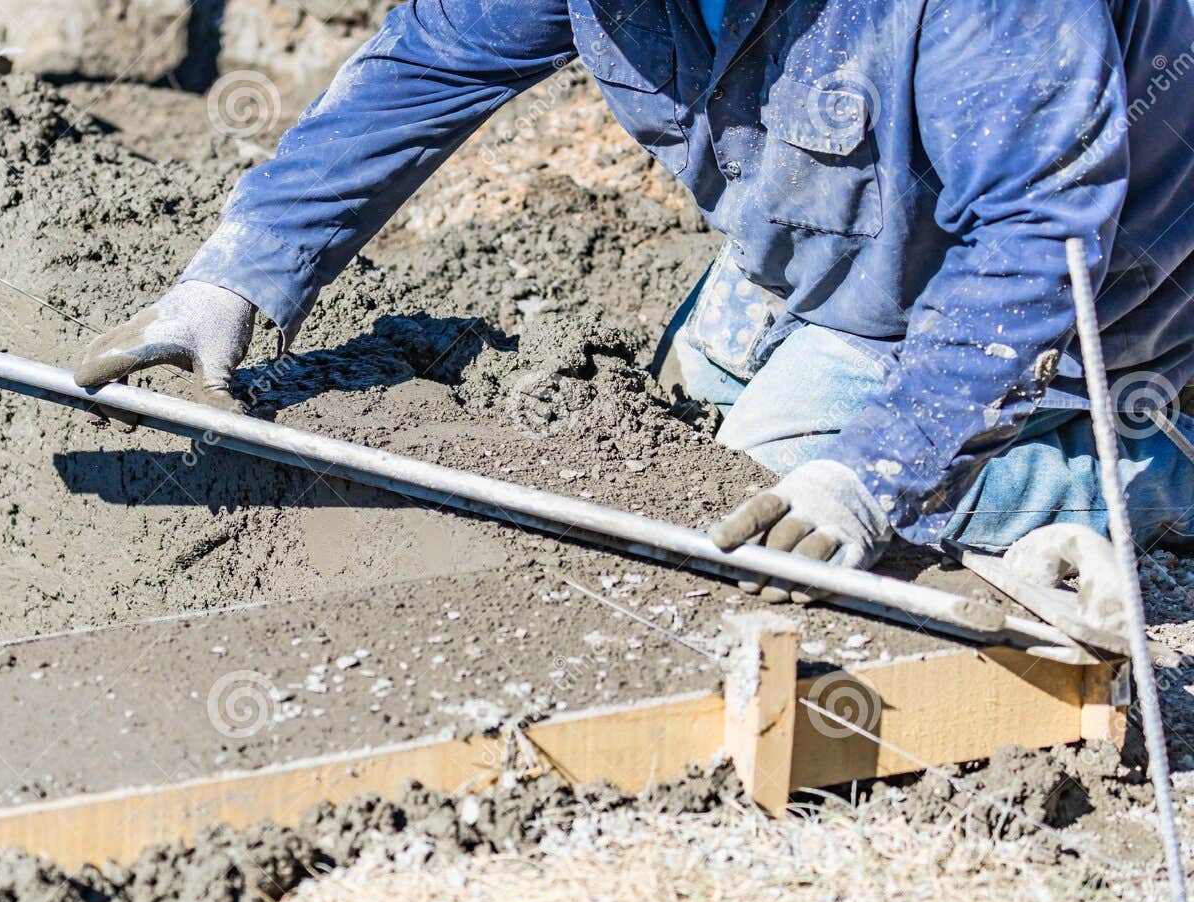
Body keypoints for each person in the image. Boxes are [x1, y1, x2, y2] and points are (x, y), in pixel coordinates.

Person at [75, 0, 1194, 604]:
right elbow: (425, 62)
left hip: (1109, 258)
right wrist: (237, 274)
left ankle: (1143, 463)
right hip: (858, 218)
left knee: (767, 471)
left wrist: (878, 470)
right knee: (682, 394)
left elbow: (1040, 235)